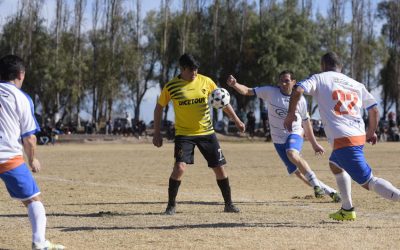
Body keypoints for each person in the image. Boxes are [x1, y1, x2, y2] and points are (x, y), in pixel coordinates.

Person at [284, 52, 400, 221]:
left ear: (323, 65)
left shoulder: (320, 78)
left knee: (369, 182)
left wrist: (290, 114)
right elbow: (374, 109)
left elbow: (298, 89)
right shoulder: (355, 83)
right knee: (335, 164)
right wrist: (371, 132)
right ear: (341, 67)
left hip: (344, 140)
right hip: (357, 136)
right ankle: (347, 209)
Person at [153, 53, 245, 215]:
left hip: (207, 133)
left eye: (196, 69)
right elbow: (159, 107)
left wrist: (237, 120)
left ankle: (229, 204)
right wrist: (156, 133)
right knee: (180, 168)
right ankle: (171, 206)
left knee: (219, 169)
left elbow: (223, 102)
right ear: (182, 69)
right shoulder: (171, 86)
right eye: (191, 70)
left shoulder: (206, 81)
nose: (194, 73)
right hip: (184, 134)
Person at [227, 71, 341, 202]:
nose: (283, 83)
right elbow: (247, 91)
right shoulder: (270, 92)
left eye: (286, 80)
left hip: (295, 133)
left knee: (292, 153)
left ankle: (315, 185)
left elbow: (306, 123)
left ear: (293, 82)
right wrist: (235, 84)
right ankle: (331, 192)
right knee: (297, 172)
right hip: (277, 138)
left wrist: (314, 144)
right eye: (281, 81)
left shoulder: (301, 100)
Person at [0, 55, 64, 249]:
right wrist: (32, 159)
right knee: (33, 200)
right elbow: (29, 137)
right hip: (8, 157)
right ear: (21, 74)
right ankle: (39, 242)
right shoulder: (21, 98)